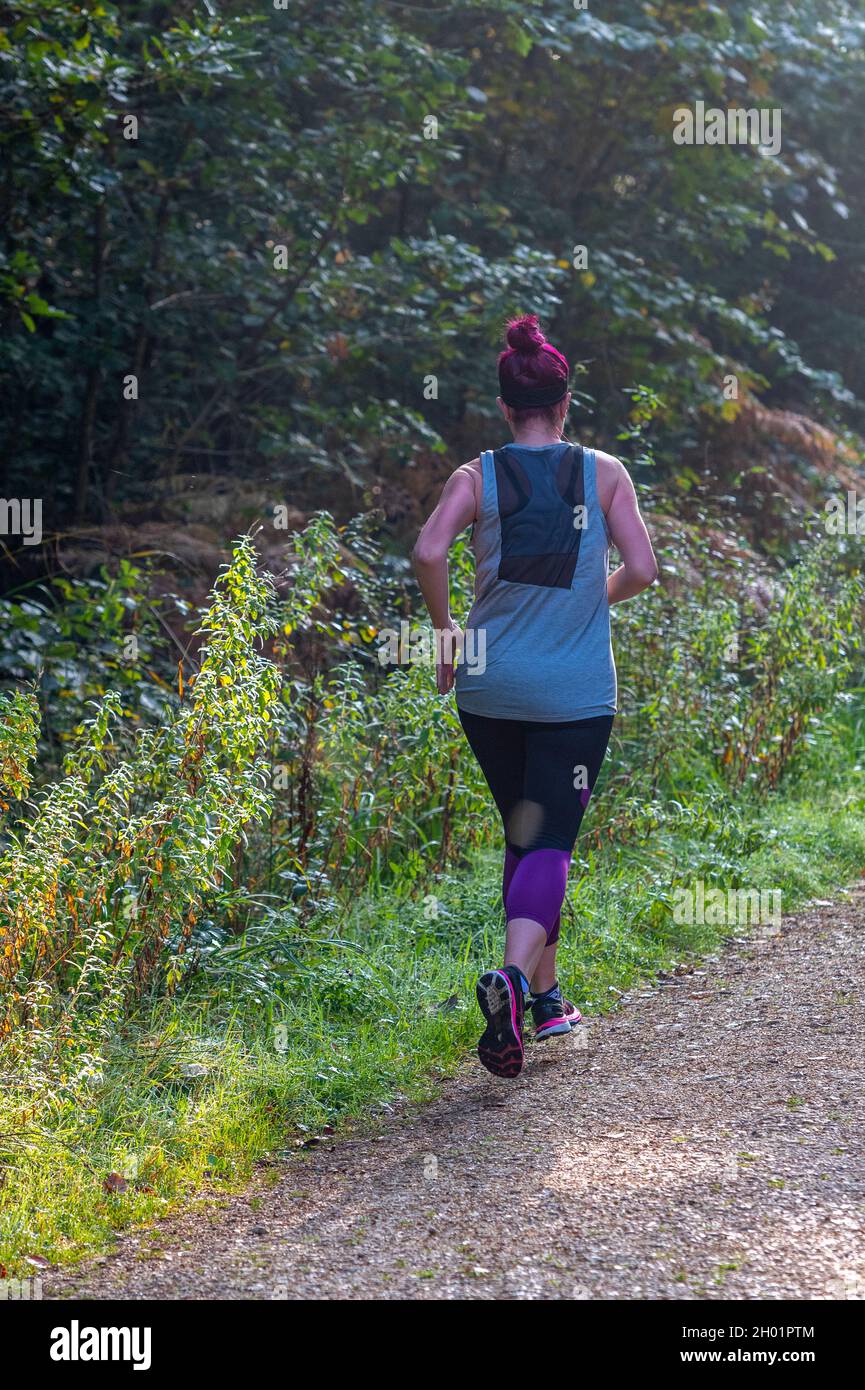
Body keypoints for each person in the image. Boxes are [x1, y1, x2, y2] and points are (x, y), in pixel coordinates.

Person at [412, 314, 657, 1077]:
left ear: (504, 404)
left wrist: (447, 634)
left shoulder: (474, 475)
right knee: (551, 841)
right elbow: (644, 570)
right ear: (565, 400)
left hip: (490, 689)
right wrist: (593, 600)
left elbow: (426, 550)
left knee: (523, 833)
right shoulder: (604, 472)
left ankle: (546, 1004)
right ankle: (515, 982)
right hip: (574, 694)